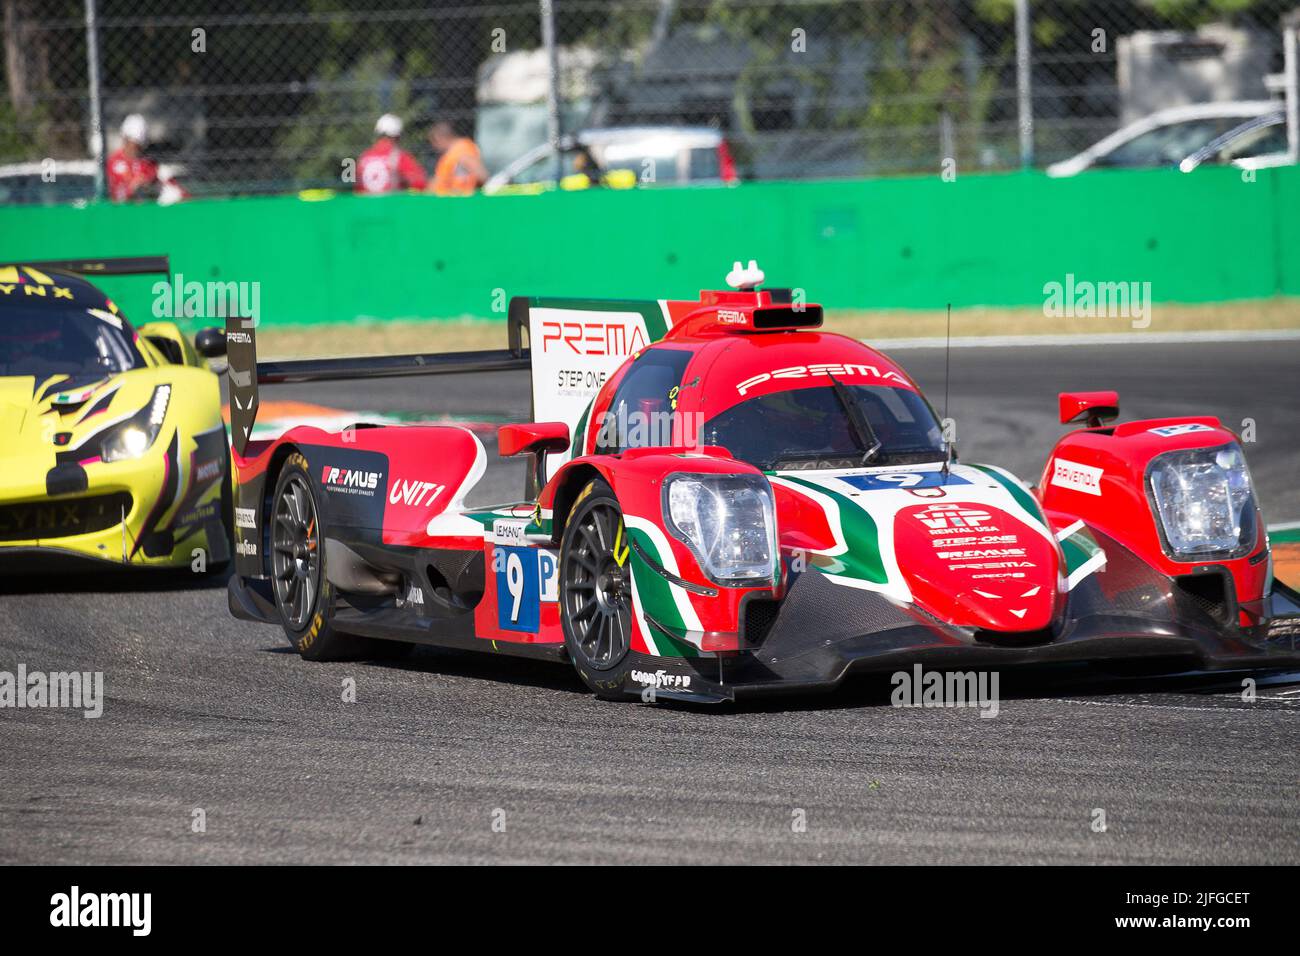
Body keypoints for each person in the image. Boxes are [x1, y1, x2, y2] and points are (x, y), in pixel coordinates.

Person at [106, 114, 184, 203]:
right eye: (133, 143)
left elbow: (175, 190)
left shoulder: (148, 163)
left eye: (140, 144)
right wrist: (132, 188)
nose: (136, 148)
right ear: (125, 138)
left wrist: (150, 184)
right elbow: (113, 195)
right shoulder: (112, 163)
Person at [355, 114, 427, 194]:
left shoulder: (364, 157)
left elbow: (358, 187)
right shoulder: (399, 156)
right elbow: (420, 183)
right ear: (397, 136)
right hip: (391, 204)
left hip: (366, 204)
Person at [427, 121, 487, 196]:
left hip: (459, 200)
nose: (434, 147)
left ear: (439, 138)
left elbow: (482, 175)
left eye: (433, 142)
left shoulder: (462, 149)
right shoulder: (453, 152)